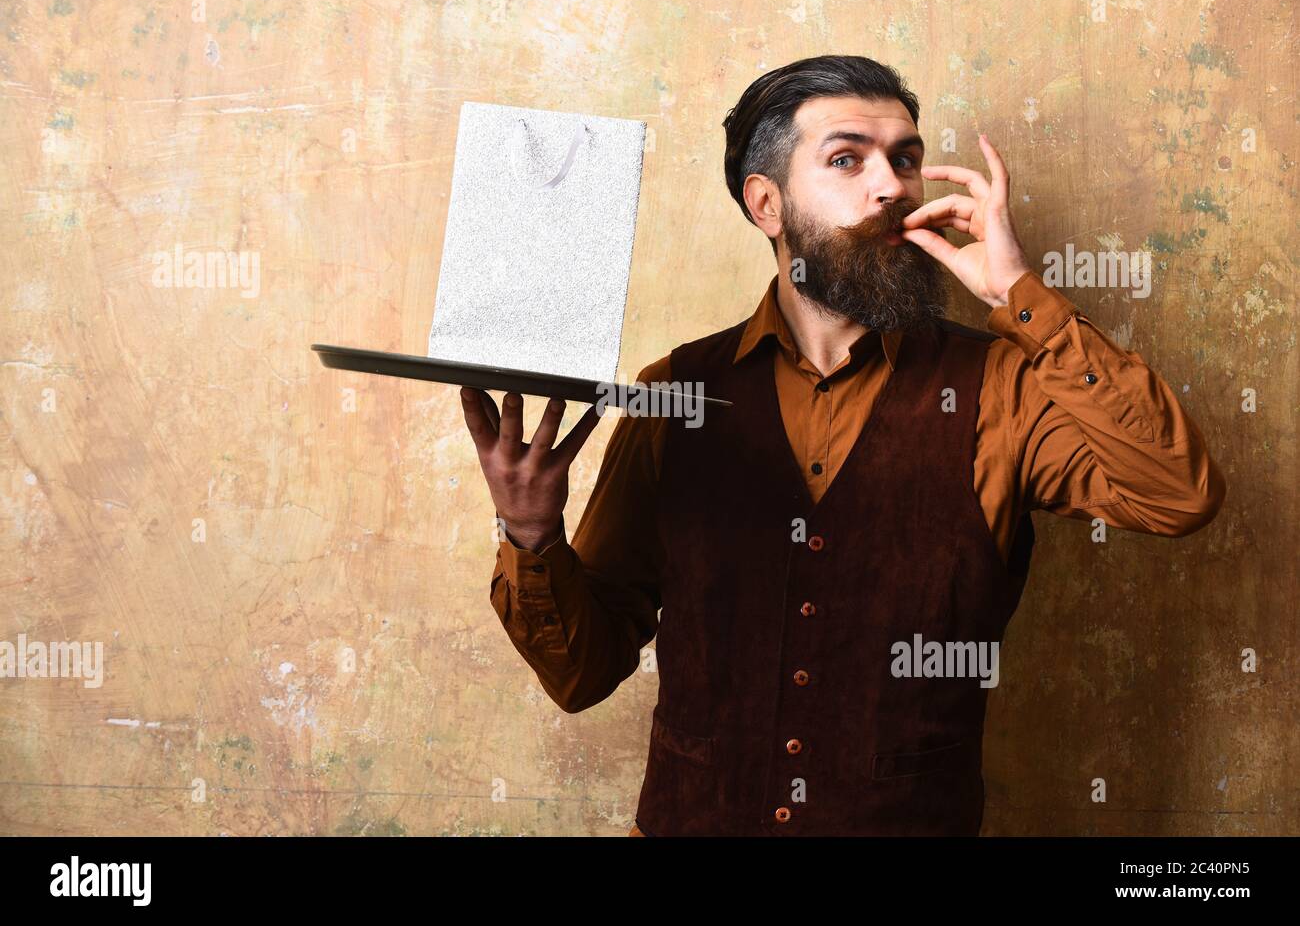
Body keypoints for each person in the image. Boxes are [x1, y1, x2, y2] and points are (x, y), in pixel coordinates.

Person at [459, 55, 1226, 836]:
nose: (892, 184)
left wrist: (1018, 296)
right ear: (767, 204)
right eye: (846, 159)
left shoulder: (1001, 384)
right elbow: (581, 673)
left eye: (905, 157)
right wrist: (530, 532)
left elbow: (1177, 493)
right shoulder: (671, 396)